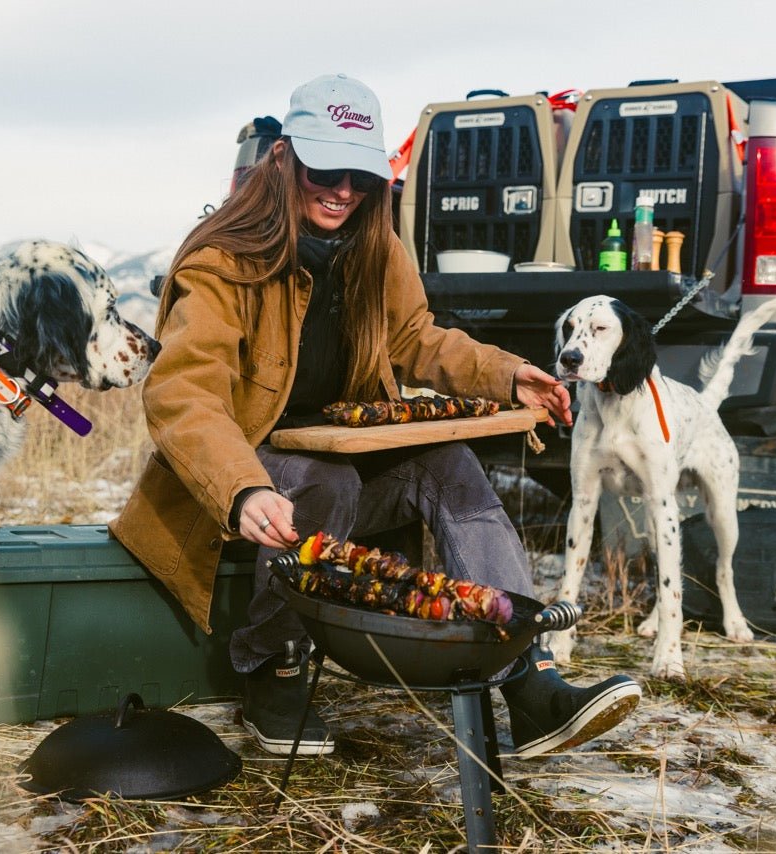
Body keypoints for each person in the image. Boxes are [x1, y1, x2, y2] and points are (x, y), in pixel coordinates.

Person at [113, 73, 640, 758]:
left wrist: (509, 376)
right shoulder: (222, 260)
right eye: (324, 170)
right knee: (323, 482)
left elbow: (417, 338)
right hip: (241, 488)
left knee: (449, 465)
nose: (342, 191)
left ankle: (530, 683)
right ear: (284, 161)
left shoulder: (375, 246)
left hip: (341, 476)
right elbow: (182, 393)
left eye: (360, 176)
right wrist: (242, 486)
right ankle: (271, 666)